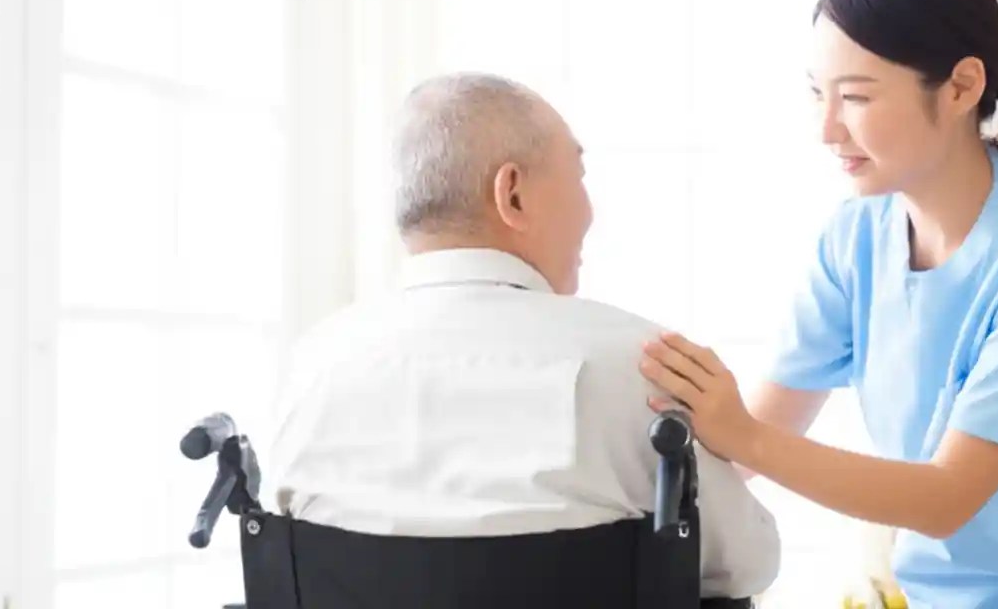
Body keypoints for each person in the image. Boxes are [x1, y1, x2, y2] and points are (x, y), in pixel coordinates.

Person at [639, 0, 998, 608]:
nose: (827, 128)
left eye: (857, 98)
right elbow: (749, 445)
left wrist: (741, 432)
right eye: (817, 95)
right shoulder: (856, 239)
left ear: (961, 87)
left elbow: (947, 498)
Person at [265, 72, 779, 600]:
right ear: (512, 193)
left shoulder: (312, 367)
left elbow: (280, 563)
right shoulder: (644, 366)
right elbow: (745, 563)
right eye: (578, 176)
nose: (590, 211)